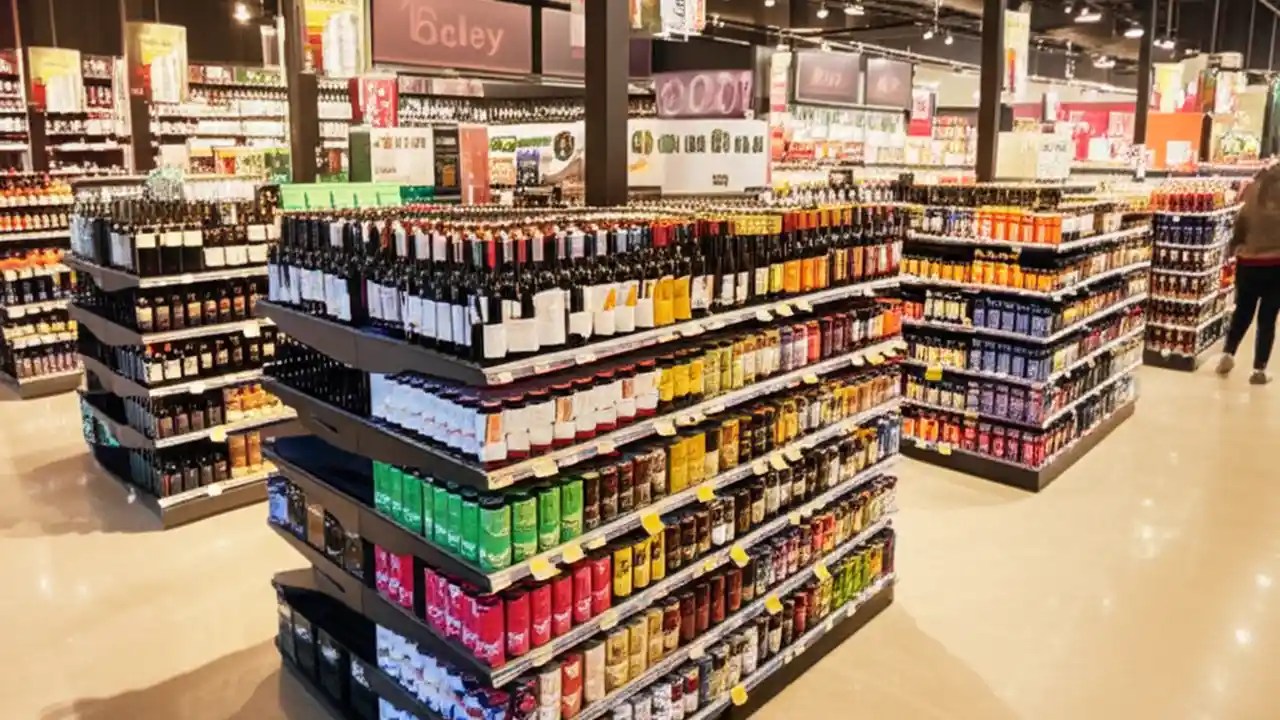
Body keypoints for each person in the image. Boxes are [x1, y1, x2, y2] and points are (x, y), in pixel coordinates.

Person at [1217, 165, 1280, 383]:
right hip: (1276, 264)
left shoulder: (1253, 190)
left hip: (1249, 262)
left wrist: (1236, 247)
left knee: (1243, 311)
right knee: (1267, 319)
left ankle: (1228, 353)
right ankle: (1259, 370)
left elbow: (1240, 223)